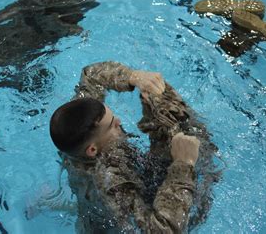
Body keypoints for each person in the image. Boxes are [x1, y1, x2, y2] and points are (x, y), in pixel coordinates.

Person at [49, 61, 219, 233]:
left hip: (100, 205)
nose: (119, 122)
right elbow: (160, 231)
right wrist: (184, 164)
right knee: (199, 160)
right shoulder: (111, 179)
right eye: (112, 126)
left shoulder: (74, 129)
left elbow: (92, 76)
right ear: (92, 150)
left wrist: (134, 77)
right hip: (112, 220)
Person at [194, 0, 266, 57]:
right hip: (241, 32)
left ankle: (234, 16)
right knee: (244, 32)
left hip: (246, 36)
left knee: (250, 35)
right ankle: (233, 15)